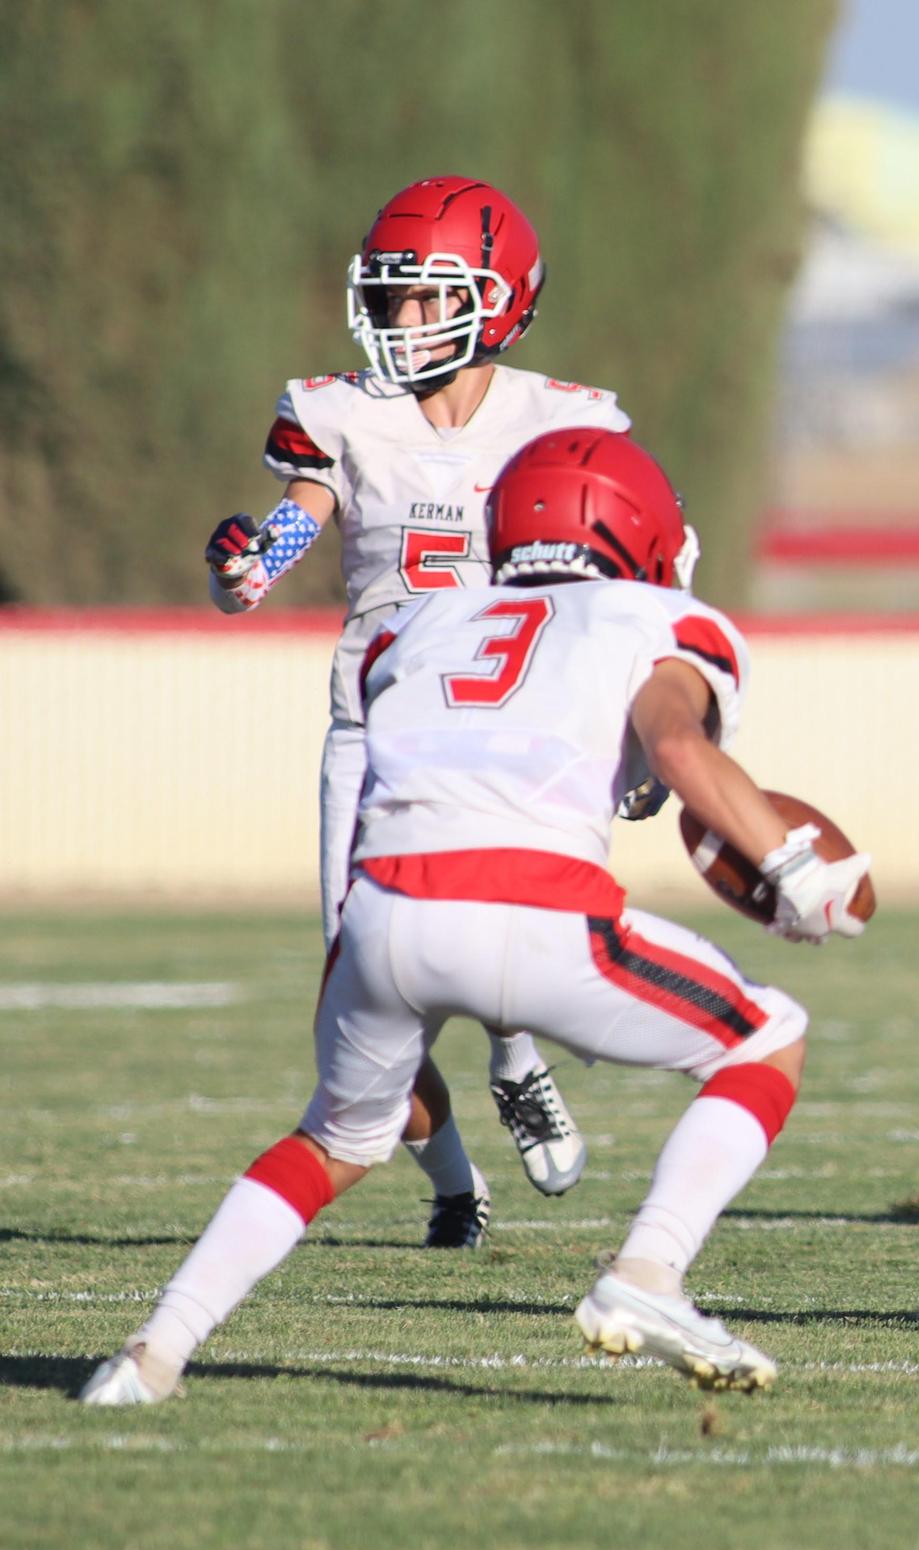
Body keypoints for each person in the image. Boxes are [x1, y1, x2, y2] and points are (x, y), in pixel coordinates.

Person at [83, 430, 872, 1406]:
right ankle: (649, 1272)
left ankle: (151, 1355)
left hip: (381, 912)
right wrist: (791, 866)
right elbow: (673, 741)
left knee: (334, 1140)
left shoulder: (420, 622)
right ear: (638, 528)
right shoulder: (658, 614)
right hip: (534, 906)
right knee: (769, 1041)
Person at [202, 177, 649, 1244]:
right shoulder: (346, 414)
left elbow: (621, 578)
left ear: (495, 299)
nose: (399, 319)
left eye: (423, 297)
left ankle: (515, 1057)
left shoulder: (564, 420)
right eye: (389, 296)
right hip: (372, 728)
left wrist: (629, 736)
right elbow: (298, 515)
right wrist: (248, 570)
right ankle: (455, 1183)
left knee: (499, 937)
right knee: (358, 991)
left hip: (501, 728)